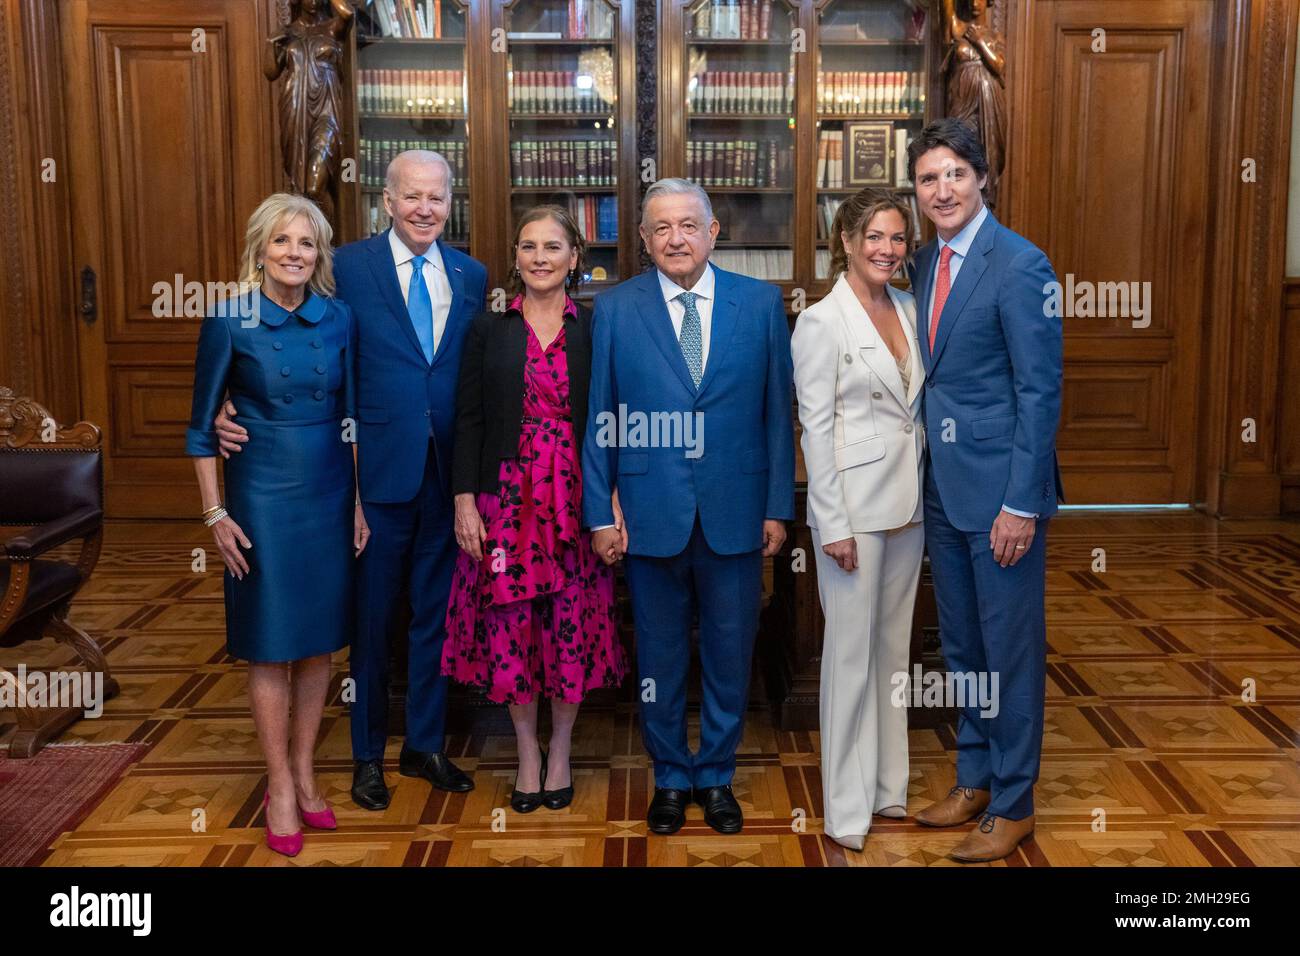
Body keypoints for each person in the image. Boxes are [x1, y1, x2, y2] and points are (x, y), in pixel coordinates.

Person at [214, 150, 489, 810]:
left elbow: (476, 376)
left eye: (437, 197)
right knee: (372, 621)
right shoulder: (347, 271)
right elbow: (301, 347)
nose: (425, 208)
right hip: (370, 477)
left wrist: (474, 481)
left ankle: (423, 745)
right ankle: (367, 754)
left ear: (451, 203)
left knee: (432, 618)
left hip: (449, 474)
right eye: (411, 196)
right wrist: (233, 406)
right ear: (386, 202)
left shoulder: (472, 274)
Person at [582, 178, 795, 835]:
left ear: (712, 232)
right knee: (662, 657)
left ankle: (717, 776)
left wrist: (776, 506)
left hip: (737, 508)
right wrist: (597, 511)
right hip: (649, 513)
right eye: (660, 228)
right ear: (643, 241)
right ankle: (671, 776)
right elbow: (601, 420)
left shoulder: (760, 304)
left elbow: (776, 416)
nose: (675, 238)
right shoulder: (615, 309)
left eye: (687, 225)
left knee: (732, 654)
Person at [186, 193, 364, 857]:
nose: (295, 253)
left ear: (319, 255)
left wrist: (358, 502)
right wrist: (215, 514)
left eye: (307, 243)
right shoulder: (229, 321)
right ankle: (280, 784)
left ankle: (308, 771)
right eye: (283, 241)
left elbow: (353, 417)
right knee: (269, 641)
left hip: (328, 490)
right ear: (260, 248)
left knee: (318, 643)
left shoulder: (339, 318)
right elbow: (203, 427)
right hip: (260, 496)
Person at [906, 118, 1063, 862]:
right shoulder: (924, 264)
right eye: (929, 178)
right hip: (942, 486)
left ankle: (1013, 800)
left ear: (981, 180)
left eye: (955, 175)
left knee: (1009, 651)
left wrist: (1021, 504)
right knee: (962, 646)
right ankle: (973, 776)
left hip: (1002, 498)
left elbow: (1040, 391)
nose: (943, 189)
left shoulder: (1020, 264)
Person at [442, 205, 627, 813]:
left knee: (571, 626)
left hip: (578, 498)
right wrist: (465, 499)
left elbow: (613, 420)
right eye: (528, 246)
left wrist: (614, 501)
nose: (541, 257)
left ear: (576, 258)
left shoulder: (597, 328)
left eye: (554, 246)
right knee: (512, 629)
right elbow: (467, 418)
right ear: (515, 258)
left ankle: (563, 748)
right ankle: (526, 750)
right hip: (506, 501)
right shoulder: (488, 328)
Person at [791, 188, 925, 851]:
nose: (886, 249)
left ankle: (887, 787)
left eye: (897, 238)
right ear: (845, 239)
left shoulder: (909, 305)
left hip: (909, 506)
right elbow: (814, 430)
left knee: (892, 654)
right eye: (874, 236)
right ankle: (846, 806)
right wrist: (831, 521)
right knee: (848, 658)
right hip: (852, 513)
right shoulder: (820, 322)